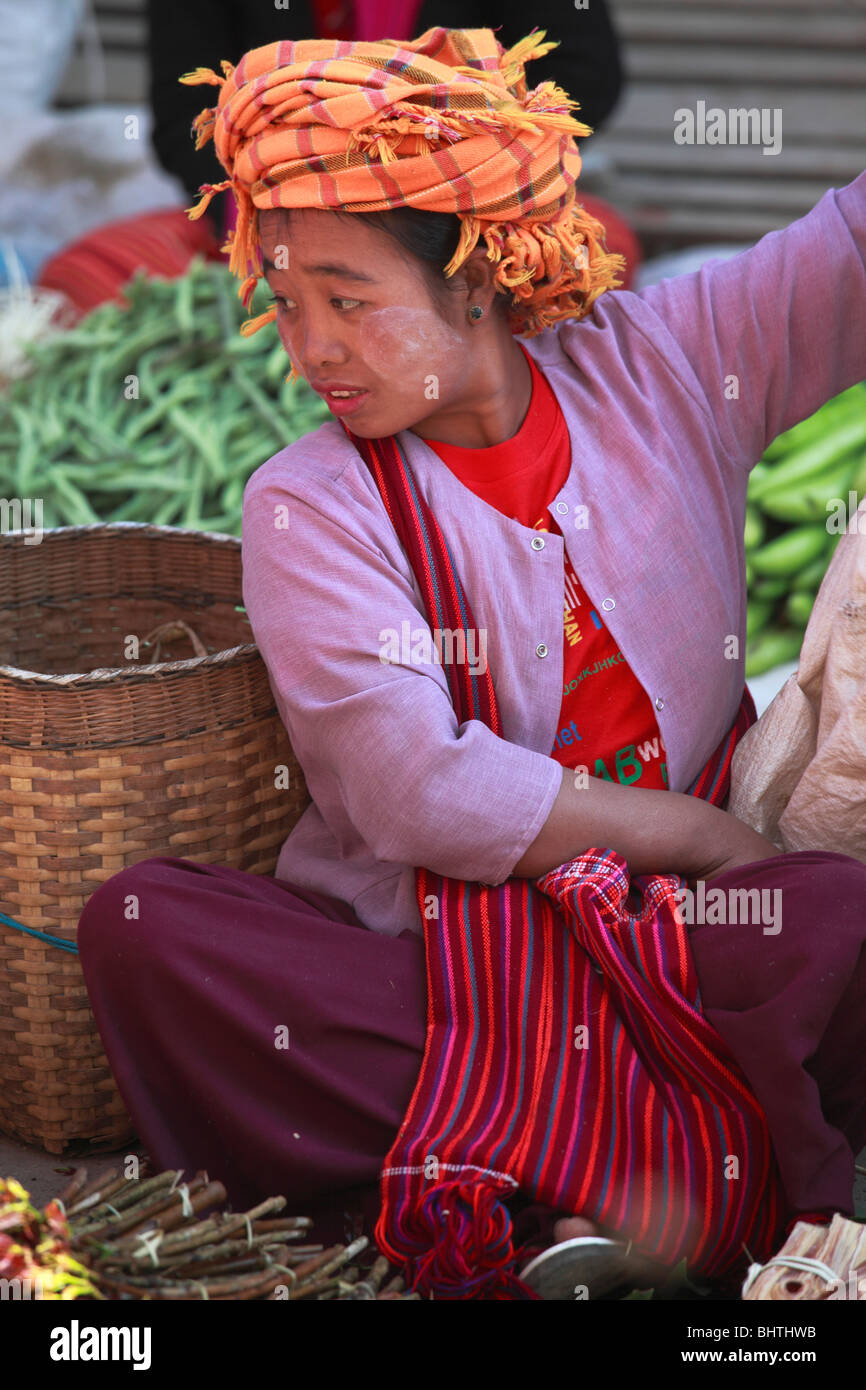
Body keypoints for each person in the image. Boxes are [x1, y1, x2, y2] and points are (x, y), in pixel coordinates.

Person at [78, 25, 866, 1298]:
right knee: (147, 929)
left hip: (671, 943)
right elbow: (412, 789)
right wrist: (700, 834)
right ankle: (650, 1180)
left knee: (831, 912)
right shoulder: (307, 503)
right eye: (286, 302)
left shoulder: (659, 367)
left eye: (350, 298)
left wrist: (717, 870)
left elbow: (844, 258)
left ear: (476, 279)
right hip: (440, 966)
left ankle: (545, 1185)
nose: (313, 346)